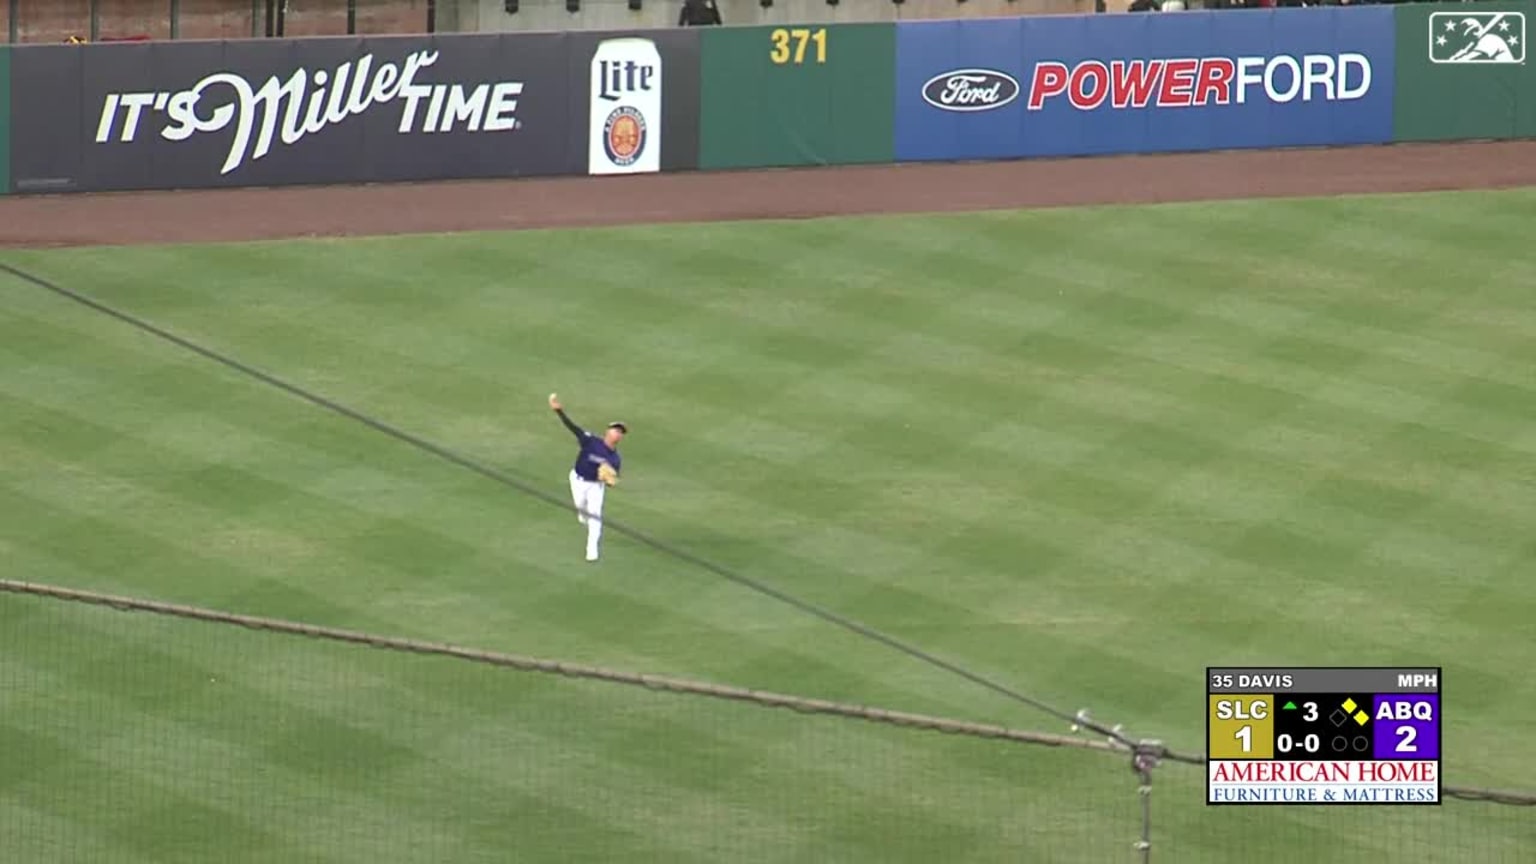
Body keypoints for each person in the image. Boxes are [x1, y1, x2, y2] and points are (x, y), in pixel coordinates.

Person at [549, 393, 626, 562]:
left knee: (595, 516)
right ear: (608, 431)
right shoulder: (591, 441)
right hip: (577, 480)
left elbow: (614, 480)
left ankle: (592, 550)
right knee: (581, 509)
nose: (618, 434)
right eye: (616, 430)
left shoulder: (615, 458)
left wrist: (609, 480)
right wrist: (559, 411)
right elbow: (574, 428)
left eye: (621, 432)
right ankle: (582, 514)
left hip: (595, 487)